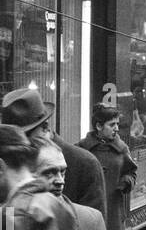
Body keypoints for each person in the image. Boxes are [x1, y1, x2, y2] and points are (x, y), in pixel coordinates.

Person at [1, 87, 106, 215]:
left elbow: (93, 227)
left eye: (26, 135)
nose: (22, 146)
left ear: (46, 129)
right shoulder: (10, 168)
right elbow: (7, 229)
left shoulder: (84, 163)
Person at [77, 105, 139, 230]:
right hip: (89, 208)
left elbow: (131, 172)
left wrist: (126, 181)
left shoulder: (121, 148)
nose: (117, 129)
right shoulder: (82, 149)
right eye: (112, 125)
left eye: (117, 124)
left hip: (113, 209)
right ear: (98, 126)